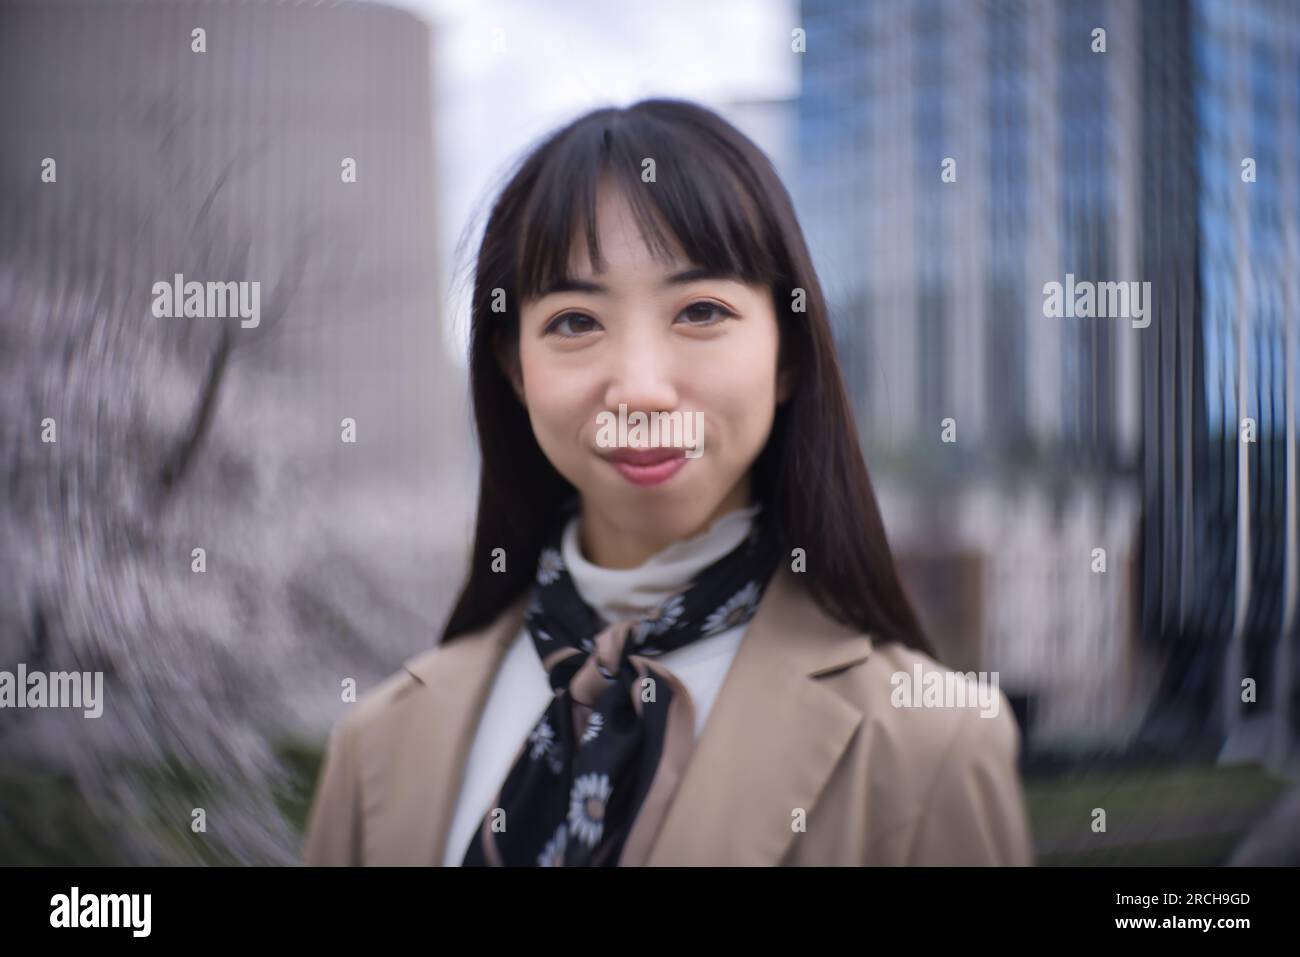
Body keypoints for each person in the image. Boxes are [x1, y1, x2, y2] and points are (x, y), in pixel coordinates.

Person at [302, 98, 1034, 867]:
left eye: (701, 311)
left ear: (788, 353)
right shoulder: (377, 744)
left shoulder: (929, 744)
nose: (642, 390)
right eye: (576, 322)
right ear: (515, 368)